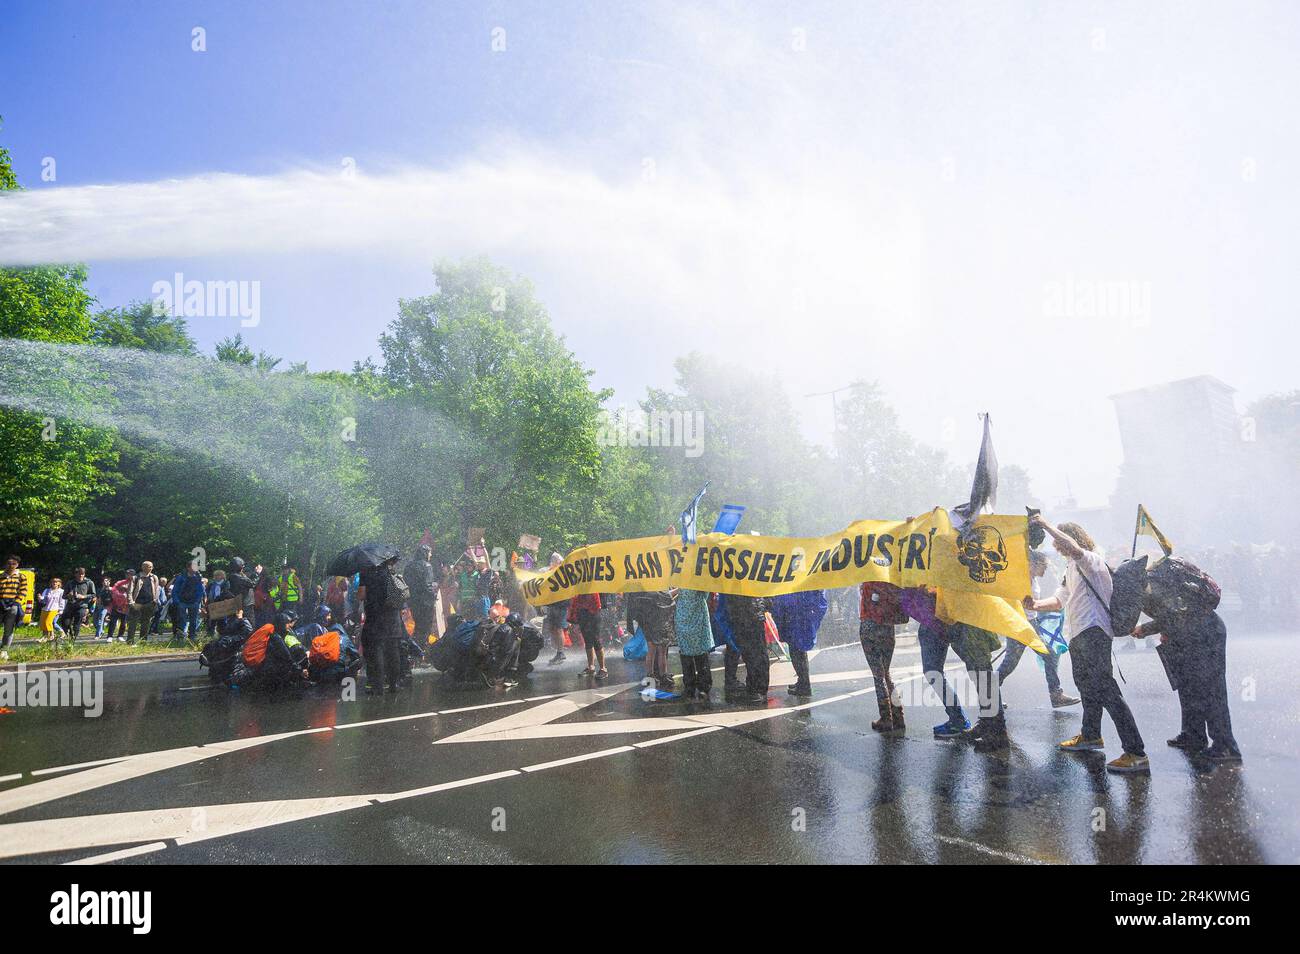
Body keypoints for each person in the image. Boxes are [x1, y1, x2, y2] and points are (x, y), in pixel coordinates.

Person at [1024, 516, 1149, 774]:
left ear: (1072, 539)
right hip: (1079, 635)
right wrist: (1034, 605)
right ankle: (1090, 736)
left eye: (1059, 543)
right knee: (1087, 688)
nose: (1057, 549)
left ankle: (1136, 752)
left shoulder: (1091, 560)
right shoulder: (1071, 568)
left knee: (1106, 691)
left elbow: (1074, 549)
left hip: (1094, 631)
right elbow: (1060, 600)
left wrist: (1047, 525)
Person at [1133, 558, 1241, 761]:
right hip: (1193, 633)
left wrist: (1145, 629)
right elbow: (1176, 615)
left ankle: (1225, 745)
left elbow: (1174, 615)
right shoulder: (1154, 583)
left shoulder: (1154, 586)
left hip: (1204, 633)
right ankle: (1193, 735)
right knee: (1189, 686)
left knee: (1211, 689)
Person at [997, 550, 1079, 708]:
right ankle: (1056, 695)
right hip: (1020, 625)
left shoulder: (1033, 580)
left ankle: (1056, 694)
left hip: (1030, 623)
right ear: (1032, 564)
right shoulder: (1020, 580)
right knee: (1016, 662)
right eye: (1044, 565)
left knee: (1014, 662)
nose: (1045, 569)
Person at [859, 581, 909, 731]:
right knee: (886, 673)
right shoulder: (889, 579)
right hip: (888, 628)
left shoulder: (868, 581)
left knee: (878, 675)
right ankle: (898, 716)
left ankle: (886, 718)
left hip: (870, 627)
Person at [359, 555, 408, 694]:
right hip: (393, 619)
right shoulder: (392, 574)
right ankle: (394, 684)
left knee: (376, 651)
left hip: (375, 619)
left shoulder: (367, 573)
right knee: (393, 651)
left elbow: (361, 595)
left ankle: (378, 686)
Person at [771, 589, 828, 698]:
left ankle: (804, 683)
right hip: (798, 611)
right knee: (798, 648)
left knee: (797, 649)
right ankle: (803, 681)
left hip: (797, 612)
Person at [626, 589, 676, 691]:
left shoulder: (641, 589)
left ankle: (650, 675)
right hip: (659, 618)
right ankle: (663, 675)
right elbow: (667, 596)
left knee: (651, 649)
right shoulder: (658, 586)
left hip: (647, 619)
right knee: (661, 649)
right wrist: (679, 589)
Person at [726, 593, 770, 705]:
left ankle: (759, 689)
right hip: (740, 616)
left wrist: (761, 606)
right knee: (749, 655)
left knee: (758, 655)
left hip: (753, 615)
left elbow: (768, 594)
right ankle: (753, 687)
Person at [673, 588, 714, 700]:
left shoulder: (681, 578)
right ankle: (702, 687)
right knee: (698, 653)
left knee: (689, 653)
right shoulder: (699, 580)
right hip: (696, 614)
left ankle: (690, 688)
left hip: (685, 615)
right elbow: (706, 593)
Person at [568, 591, 606, 679]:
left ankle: (603, 668)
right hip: (582, 612)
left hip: (593, 612)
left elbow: (596, 601)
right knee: (587, 640)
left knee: (596, 640)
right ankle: (591, 667)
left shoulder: (592, 584)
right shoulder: (580, 585)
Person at [541, 554, 568, 665]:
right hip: (552, 604)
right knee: (552, 628)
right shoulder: (549, 571)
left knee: (558, 628)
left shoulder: (564, 572)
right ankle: (558, 651)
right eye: (552, 560)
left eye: (555, 560)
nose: (553, 562)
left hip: (561, 604)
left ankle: (561, 652)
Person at [127, 561, 161, 643]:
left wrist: (155, 600)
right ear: (142, 567)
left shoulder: (154, 577)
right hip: (137, 603)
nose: (150, 568)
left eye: (151, 566)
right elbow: (129, 591)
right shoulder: (136, 577)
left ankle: (143, 641)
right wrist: (131, 602)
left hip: (149, 603)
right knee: (133, 623)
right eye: (147, 566)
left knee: (146, 623)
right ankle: (130, 641)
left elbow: (156, 590)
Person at [172, 563, 206, 643]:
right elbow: (175, 590)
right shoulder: (181, 577)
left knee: (193, 620)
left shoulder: (198, 578)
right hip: (182, 602)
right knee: (182, 620)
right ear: (188, 567)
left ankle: (192, 637)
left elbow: (201, 590)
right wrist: (177, 601)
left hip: (194, 602)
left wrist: (197, 601)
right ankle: (181, 638)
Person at [38, 577, 65, 642]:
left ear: (59, 583)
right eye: (53, 582)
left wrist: (61, 610)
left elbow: (62, 601)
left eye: (56, 582)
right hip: (45, 608)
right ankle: (44, 637)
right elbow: (43, 598)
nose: (54, 583)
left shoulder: (61, 591)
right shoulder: (47, 590)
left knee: (48, 622)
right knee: (43, 623)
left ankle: (51, 635)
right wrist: (40, 598)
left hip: (54, 609)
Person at [108, 570, 134, 641]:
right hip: (116, 605)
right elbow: (113, 590)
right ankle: (110, 636)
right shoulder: (120, 582)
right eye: (127, 574)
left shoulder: (135, 583)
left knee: (123, 622)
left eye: (131, 574)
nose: (129, 575)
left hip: (126, 606)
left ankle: (120, 636)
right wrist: (120, 595)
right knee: (113, 621)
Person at [205, 569, 229, 637]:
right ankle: (210, 636)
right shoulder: (211, 584)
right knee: (211, 622)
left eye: (218, 575)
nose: (215, 577)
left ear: (222, 576)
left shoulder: (226, 583)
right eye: (215, 575)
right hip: (212, 605)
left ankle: (222, 637)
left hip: (222, 605)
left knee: (223, 622)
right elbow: (207, 593)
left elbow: (227, 593)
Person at [94, 575, 113, 639]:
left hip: (106, 607)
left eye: (107, 581)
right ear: (102, 582)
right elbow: (97, 598)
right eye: (104, 581)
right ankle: (101, 631)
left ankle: (97, 635)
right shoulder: (99, 589)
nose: (105, 582)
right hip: (98, 606)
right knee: (95, 622)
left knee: (100, 619)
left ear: (109, 582)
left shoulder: (112, 589)